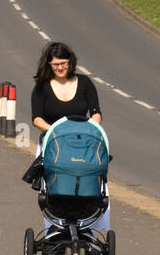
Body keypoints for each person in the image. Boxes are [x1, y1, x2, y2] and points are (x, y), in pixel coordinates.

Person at [28, 40, 110, 233]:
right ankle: (54, 226)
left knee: (93, 177)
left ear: (70, 62)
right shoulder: (41, 87)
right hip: (53, 141)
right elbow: (36, 118)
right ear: (49, 64)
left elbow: (96, 112)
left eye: (63, 63)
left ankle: (92, 224)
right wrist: (55, 131)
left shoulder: (85, 83)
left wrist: (92, 129)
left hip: (84, 141)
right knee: (52, 184)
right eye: (55, 64)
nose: (60, 68)